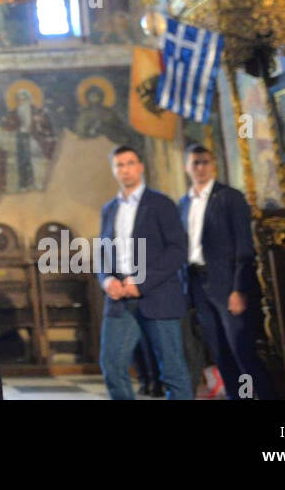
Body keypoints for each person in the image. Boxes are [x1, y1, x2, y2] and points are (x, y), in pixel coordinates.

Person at [179, 144, 276, 399]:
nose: (200, 168)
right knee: (221, 354)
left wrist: (239, 289)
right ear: (187, 167)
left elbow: (244, 247)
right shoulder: (184, 203)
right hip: (199, 285)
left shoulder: (230, 198)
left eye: (205, 162)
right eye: (195, 163)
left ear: (214, 165)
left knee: (242, 351)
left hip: (228, 286)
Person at [97, 145, 192, 400]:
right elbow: (103, 252)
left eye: (130, 163)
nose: (125, 170)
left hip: (158, 296)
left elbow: (178, 251)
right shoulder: (109, 209)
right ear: (114, 170)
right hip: (119, 301)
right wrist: (106, 280)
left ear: (140, 166)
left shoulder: (161, 203)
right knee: (112, 366)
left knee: (172, 371)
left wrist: (141, 282)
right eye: (119, 165)